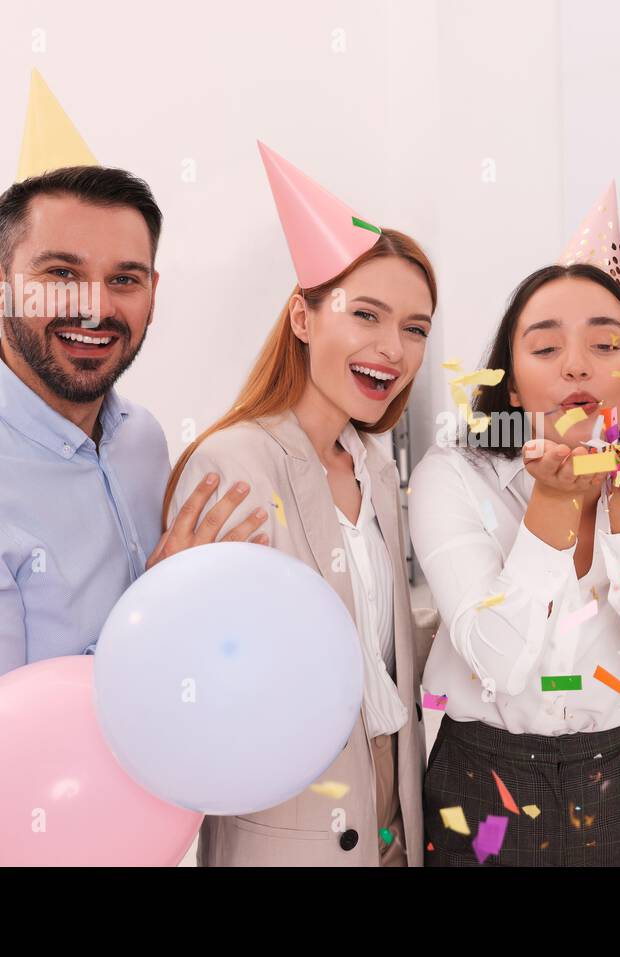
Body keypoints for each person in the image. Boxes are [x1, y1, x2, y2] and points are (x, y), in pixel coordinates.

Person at [0, 165, 262, 867]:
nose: (95, 307)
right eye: (61, 274)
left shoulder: (139, 438)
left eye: (125, 278)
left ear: (152, 293)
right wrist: (157, 611)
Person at [410, 259, 620, 867]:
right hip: (484, 787)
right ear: (511, 387)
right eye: (545, 347)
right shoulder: (453, 474)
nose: (576, 365)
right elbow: (497, 662)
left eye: (605, 343)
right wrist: (555, 503)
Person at [162, 144, 436, 866]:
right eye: (367, 314)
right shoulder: (232, 464)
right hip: (289, 826)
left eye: (415, 328)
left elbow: (380, 644)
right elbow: (209, 672)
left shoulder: (375, 466)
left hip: (391, 805)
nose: (394, 348)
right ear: (304, 317)